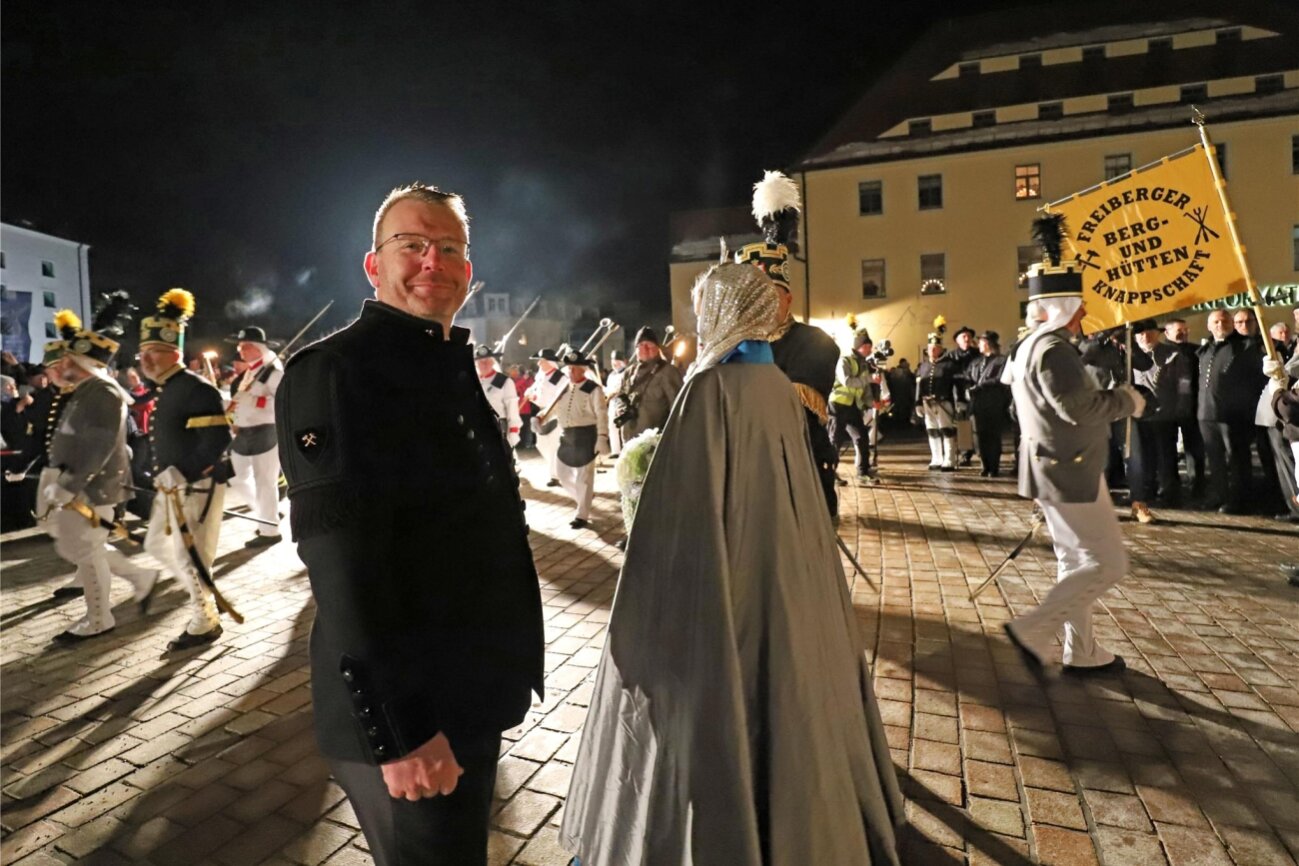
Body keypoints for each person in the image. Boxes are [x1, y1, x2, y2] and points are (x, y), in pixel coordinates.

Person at [561, 262, 903, 866]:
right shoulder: (777, 386)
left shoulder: (709, 390)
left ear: (724, 312)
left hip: (725, 583)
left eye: (705, 311)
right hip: (784, 574)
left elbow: (681, 515)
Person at [276, 183, 544, 866]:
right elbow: (342, 565)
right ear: (374, 265)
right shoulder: (335, 371)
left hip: (464, 690)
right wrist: (402, 732)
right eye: (413, 244)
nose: (433, 261)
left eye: (450, 248)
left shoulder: (442, 362)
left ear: (468, 270)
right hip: (412, 714)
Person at [1004, 215, 1145, 674]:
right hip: (1071, 468)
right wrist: (1126, 400)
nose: (1085, 314)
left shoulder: (1029, 346)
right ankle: (1034, 629)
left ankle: (1081, 652)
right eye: (1079, 306)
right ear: (1062, 307)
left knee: (1075, 560)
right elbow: (1076, 408)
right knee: (1109, 564)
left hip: (1053, 465)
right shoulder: (1053, 349)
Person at [43, 299, 159, 640]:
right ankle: (139, 579)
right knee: (87, 549)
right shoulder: (87, 390)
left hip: (95, 486)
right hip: (84, 484)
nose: (63, 364)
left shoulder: (103, 391)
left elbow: (99, 444)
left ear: (85, 364)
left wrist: (70, 483)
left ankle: (99, 618)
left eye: (70, 360)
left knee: (89, 552)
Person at [735, 170, 840, 516]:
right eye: (755, 298)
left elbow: (789, 408)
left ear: (789, 298)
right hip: (749, 477)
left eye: (772, 296)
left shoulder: (814, 342)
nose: (763, 305)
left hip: (802, 469)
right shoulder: (737, 345)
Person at [138, 288, 234, 651]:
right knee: (157, 544)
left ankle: (204, 621)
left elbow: (217, 439)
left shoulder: (195, 388)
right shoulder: (167, 388)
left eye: (154, 351)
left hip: (196, 484)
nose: (145, 359)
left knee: (189, 555)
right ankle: (204, 595)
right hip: (173, 485)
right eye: (143, 353)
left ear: (174, 353)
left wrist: (183, 471)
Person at [1197, 309, 1265, 514]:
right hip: (1206, 413)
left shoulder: (1246, 346)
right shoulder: (1205, 350)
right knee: (1214, 459)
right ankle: (1219, 494)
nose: (1220, 325)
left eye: (1225, 321)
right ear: (1209, 326)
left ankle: (1239, 499)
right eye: (1216, 322)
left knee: (1237, 459)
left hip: (1233, 414)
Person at [225, 326, 284, 546]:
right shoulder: (249, 373)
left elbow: (282, 402)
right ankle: (267, 514)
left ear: (259, 348)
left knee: (265, 483)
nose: (240, 350)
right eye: (240, 346)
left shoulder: (273, 373)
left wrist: (255, 401)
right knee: (238, 477)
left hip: (266, 431)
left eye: (246, 346)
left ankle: (269, 531)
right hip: (244, 432)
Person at [1127, 318, 1188, 521]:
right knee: (1145, 456)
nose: (1145, 336)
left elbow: (1184, 382)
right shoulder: (1131, 355)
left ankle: (1169, 492)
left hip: (1165, 413)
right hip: (1140, 414)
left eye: (1149, 332)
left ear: (1157, 333)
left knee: (1166, 456)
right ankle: (1148, 490)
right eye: (1141, 333)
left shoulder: (1172, 354)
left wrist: (1182, 404)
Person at [550, 349, 609, 529]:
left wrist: (602, 437)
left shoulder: (593, 389)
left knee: (584, 478)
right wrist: (540, 419)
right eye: (569, 368)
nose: (571, 371)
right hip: (567, 437)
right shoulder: (563, 388)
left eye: (575, 368)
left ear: (583, 369)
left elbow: (601, 415)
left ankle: (582, 514)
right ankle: (584, 499)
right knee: (562, 474)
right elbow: (553, 409)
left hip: (586, 436)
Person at [611, 328, 683, 450]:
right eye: (641, 345)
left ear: (657, 348)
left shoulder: (668, 372)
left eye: (649, 345)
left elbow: (678, 406)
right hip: (629, 441)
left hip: (656, 442)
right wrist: (621, 409)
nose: (645, 349)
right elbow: (620, 396)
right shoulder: (629, 372)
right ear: (636, 349)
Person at [829, 324, 884, 483]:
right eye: (866, 346)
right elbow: (847, 381)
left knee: (861, 437)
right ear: (858, 346)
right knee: (835, 440)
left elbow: (864, 390)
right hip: (837, 405)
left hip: (853, 406)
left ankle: (863, 472)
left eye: (870, 346)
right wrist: (870, 378)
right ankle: (830, 474)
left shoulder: (865, 364)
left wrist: (872, 403)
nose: (869, 349)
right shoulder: (844, 360)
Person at [1163, 318, 1206, 498]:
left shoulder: (1197, 351)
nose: (1184, 333)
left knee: (1194, 447)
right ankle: (1171, 484)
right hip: (1167, 408)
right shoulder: (1160, 352)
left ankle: (1197, 483)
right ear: (1167, 333)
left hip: (1192, 406)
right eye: (1179, 330)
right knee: (1167, 448)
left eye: (1186, 330)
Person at [915, 327, 960, 471]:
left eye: (935, 348)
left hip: (943, 402)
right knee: (932, 431)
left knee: (947, 430)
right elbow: (919, 385)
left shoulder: (949, 365)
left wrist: (958, 402)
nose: (932, 351)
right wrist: (917, 403)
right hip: (927, 403)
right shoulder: (923, 366)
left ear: (941, 349)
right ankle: (936, 458)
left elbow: (956, 385)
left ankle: (949, 460)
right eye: (930, 348)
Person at [967, 330, 1011, 477]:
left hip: (993, 402)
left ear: (987, 343)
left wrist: (981, 385)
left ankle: (993, 467)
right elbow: (969, 377)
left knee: (993, 436)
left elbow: (1001, 379)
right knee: (980, 436)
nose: (978, 345)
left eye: (981, 342)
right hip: (978, 403)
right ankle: (985, 465)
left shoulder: (1001, 361)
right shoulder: (976, 362)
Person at [524, 347, 564, 486]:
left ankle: (555, 476)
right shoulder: (541, 375)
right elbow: (535, 389)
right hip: (541, 413)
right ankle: (556, 468)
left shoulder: (560, 378)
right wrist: (530, 393)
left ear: (549, 362)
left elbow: (558, 397)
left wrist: (535, 398)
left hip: (555, 414)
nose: (538, 363)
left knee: (553, 445)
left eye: (541, 361)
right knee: (541, 444)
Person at [471, 344, 522, 448]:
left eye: (487, 361)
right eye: (481, 362)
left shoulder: (504, 381)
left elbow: (512, 409)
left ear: (493, 362)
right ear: (476, 364)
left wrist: (513, 430)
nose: (484, 364)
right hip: (477, 428)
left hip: (498, 428)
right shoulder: (472, 381)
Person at [950, 325, 980, 465]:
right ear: (957, 340)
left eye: (969, 336)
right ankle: (965, 454)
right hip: (960, 393)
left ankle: (981, 452)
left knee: (978, 425)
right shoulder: (951, 356)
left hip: (976, 392)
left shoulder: (977, 354)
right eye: (964, 336)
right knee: (963, 426)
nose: (967, 339)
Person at [603, 349, 627, 455]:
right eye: (613, 361)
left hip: (623, 403)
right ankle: (615, 451)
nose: (614, 363)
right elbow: (609, 390)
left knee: (624, 428)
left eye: (616, 361)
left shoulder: (626, 373)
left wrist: (610, 395)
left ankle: (626, 451)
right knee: (612, 427)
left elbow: (620, 389)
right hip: (612, 404)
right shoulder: (611, 375)